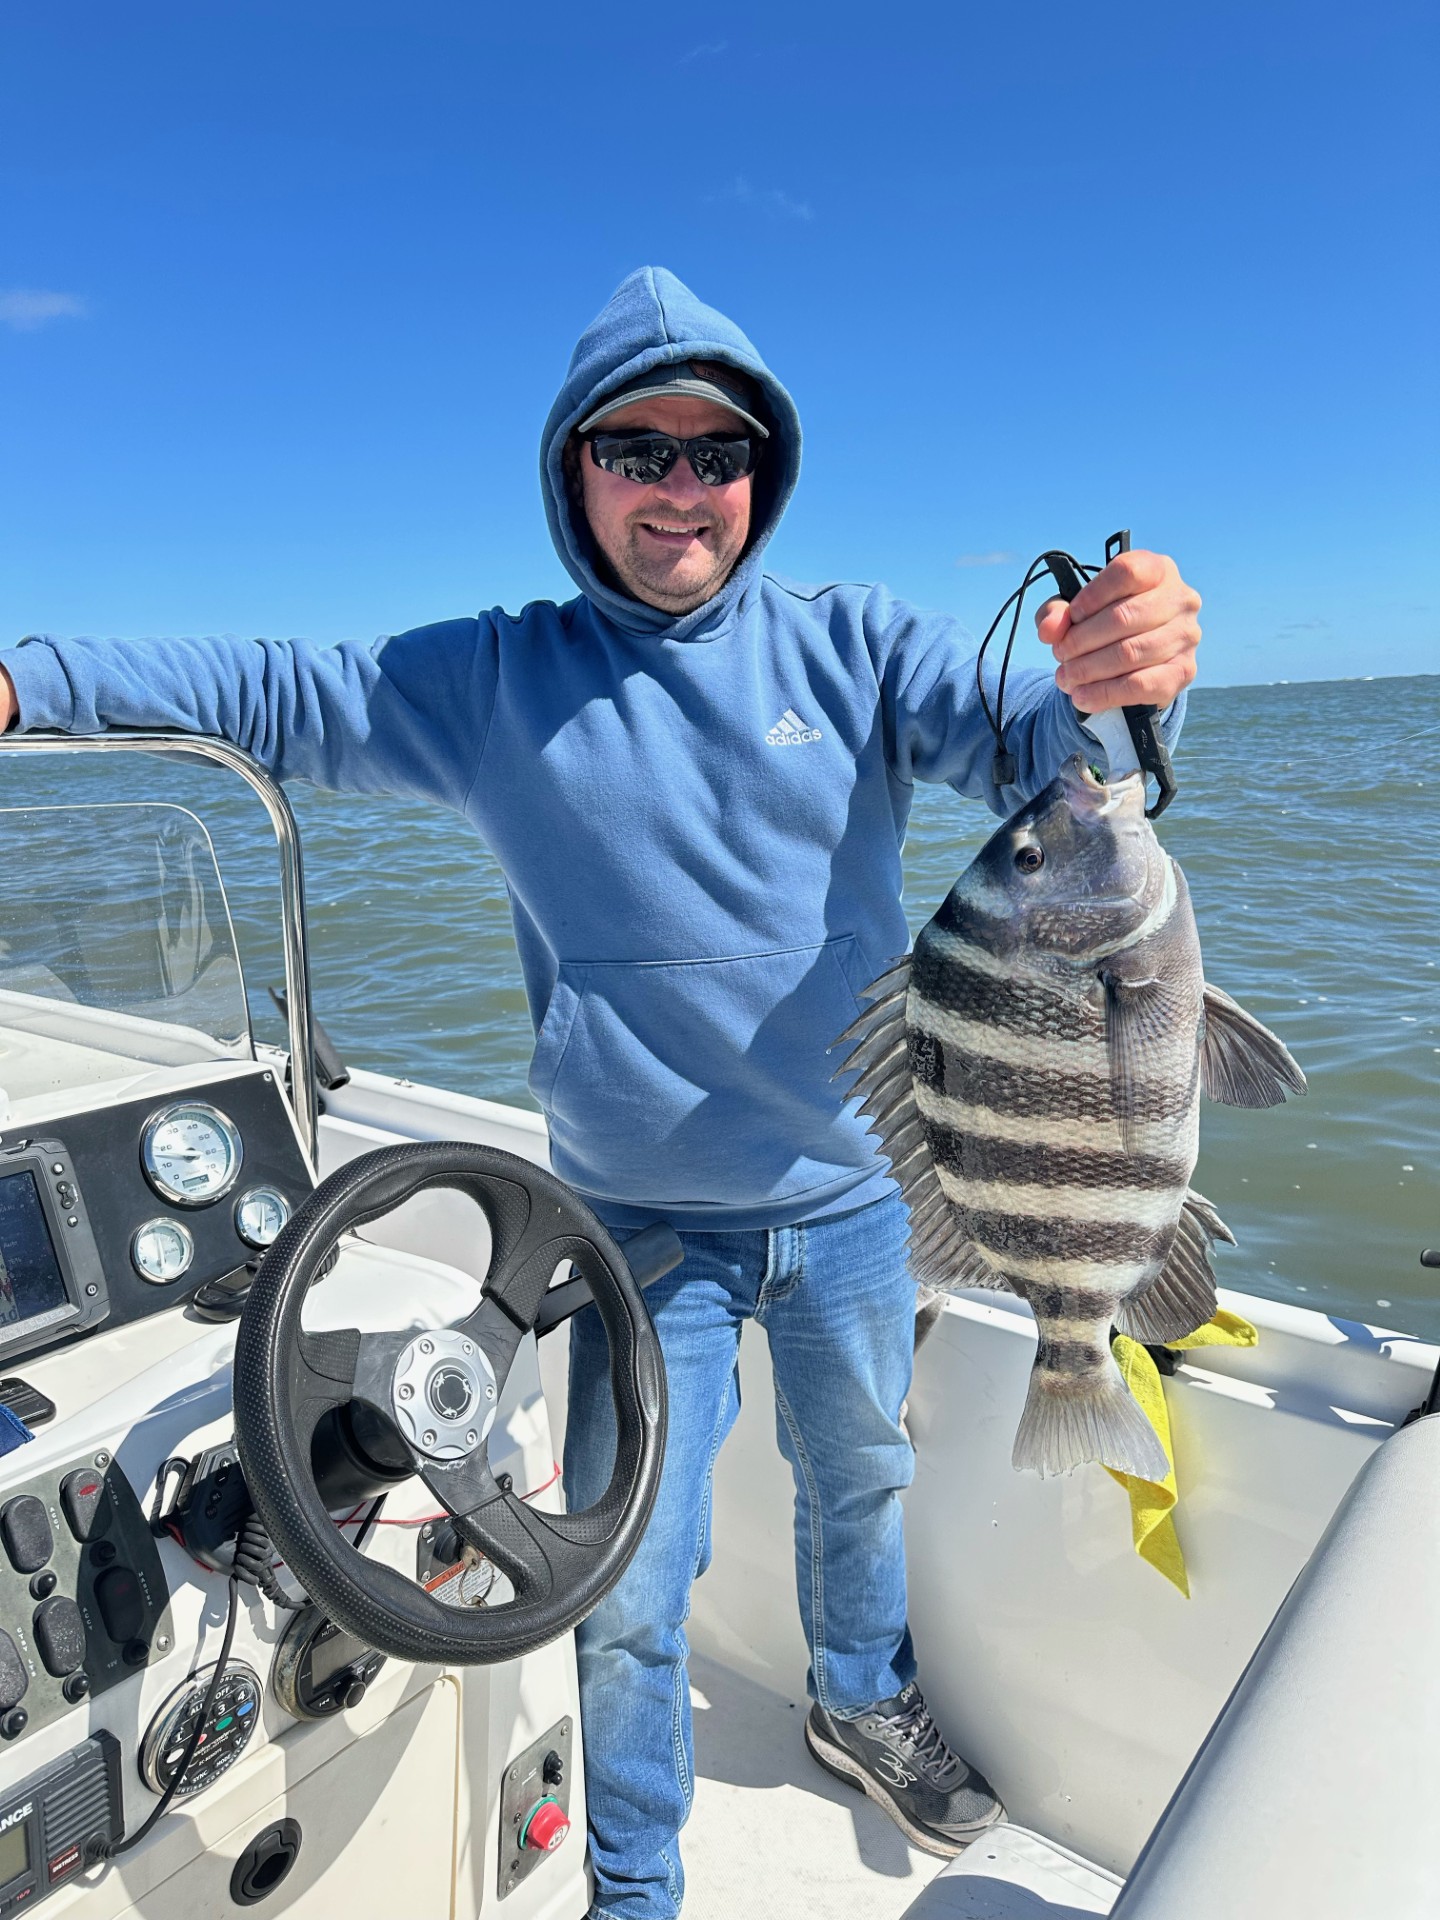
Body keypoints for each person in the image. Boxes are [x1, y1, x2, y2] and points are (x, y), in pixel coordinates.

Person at [0, 267, 1200, 1920]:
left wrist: (1130, 669)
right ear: (575, 471)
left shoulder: (854, 643)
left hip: (859, 1198)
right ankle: (635, 1879)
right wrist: (20, 682)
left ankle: (860, 1694)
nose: (678, 485)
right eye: (636, 447)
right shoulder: (496, 684)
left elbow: (1055, 756)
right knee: (631, 1580)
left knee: (867, 1477)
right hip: (640, 1231)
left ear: (761, 474)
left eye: (716, 452)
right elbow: (266, 691)